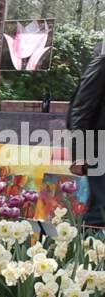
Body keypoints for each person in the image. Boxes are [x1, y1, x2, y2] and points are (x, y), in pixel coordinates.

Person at [68, 42, 105, 228]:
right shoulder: (102, 64)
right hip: (98, 150)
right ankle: (84, 253)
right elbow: (80, 110)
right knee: (100, 212)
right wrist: (79, 154)